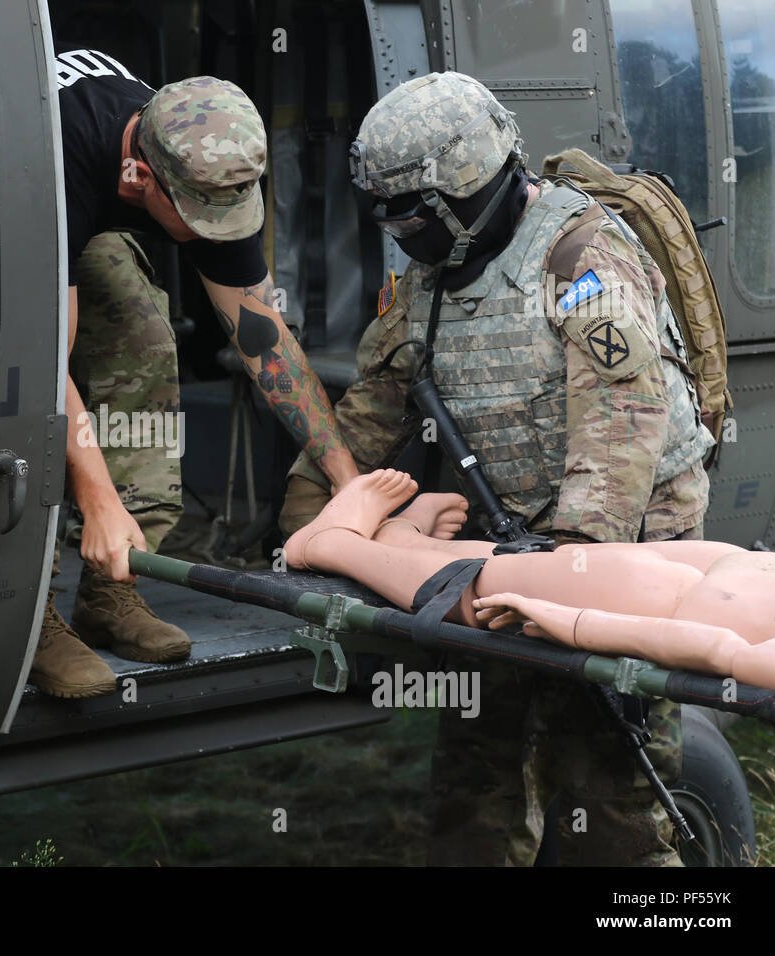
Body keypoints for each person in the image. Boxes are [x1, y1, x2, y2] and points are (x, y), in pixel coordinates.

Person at [278, 72, 717, 865]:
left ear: (466, 191)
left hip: (625, 542)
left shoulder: (581, 258)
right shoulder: (429, 283)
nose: (400, 233)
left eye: (412, 215)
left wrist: (571, 578)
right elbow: (372, 408)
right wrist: (307, 529)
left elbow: (623, 427)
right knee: (475, 777)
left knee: (608, 786)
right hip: (511, 542)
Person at [31, 45, 359, 698]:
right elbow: (39, 363)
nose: (215, 233)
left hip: (84, 196)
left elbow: (265, 342)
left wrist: (345, 476)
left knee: (144, 340)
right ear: (141, 180)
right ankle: (25, 618)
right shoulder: (57, 163)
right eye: (198, 219)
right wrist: (97, 499)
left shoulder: (207, 164)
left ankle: (111, 589)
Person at [285, 470, 775, 691]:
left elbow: (724, 652)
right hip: (725, 568)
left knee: (486, 588)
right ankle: (402, 540)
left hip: (676, 602)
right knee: (539, 564)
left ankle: (331, 545)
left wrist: (577, 624)